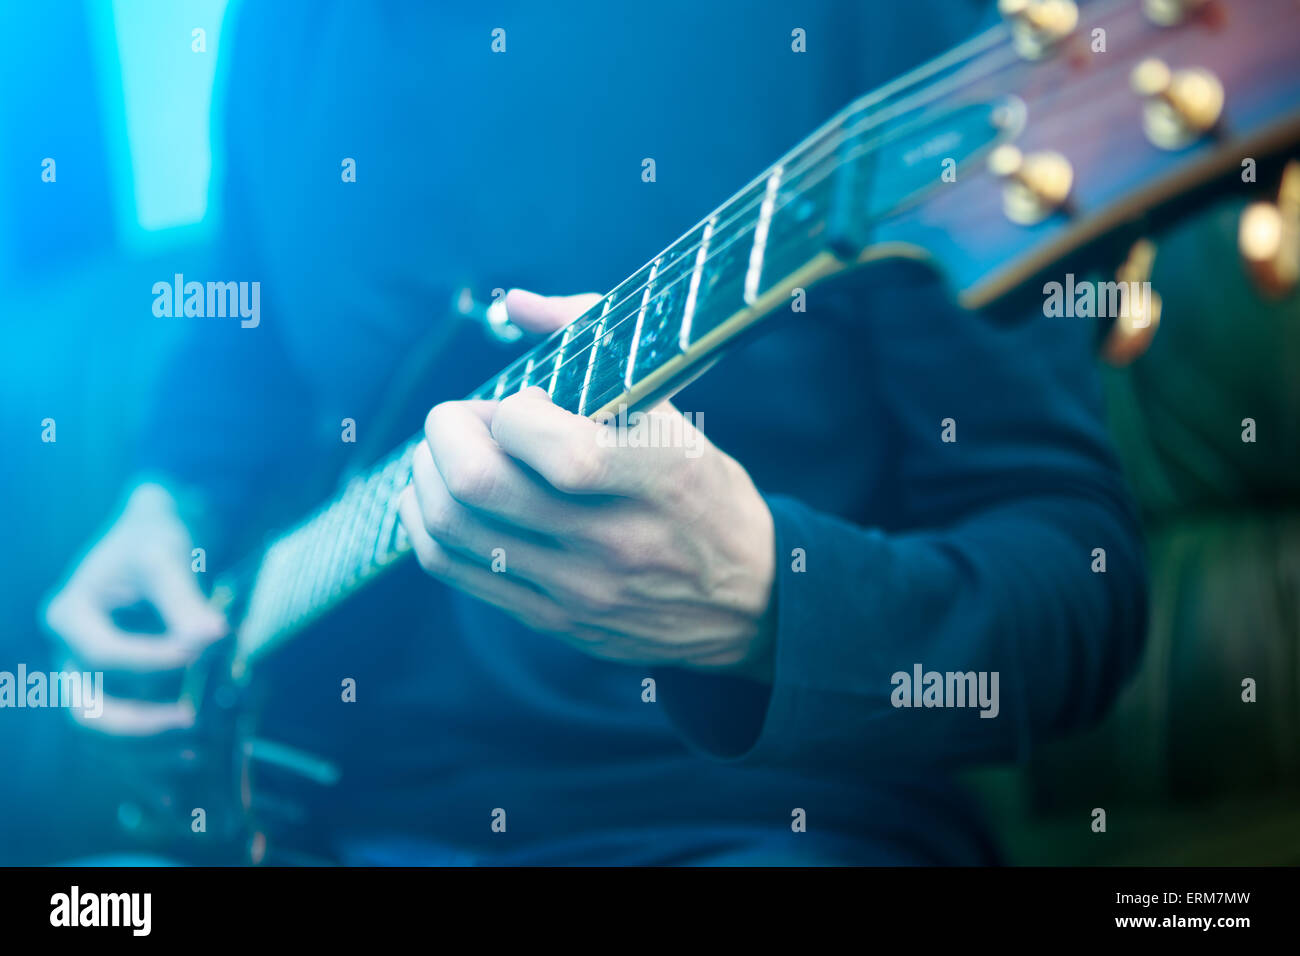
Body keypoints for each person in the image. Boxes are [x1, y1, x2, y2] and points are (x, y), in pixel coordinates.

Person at [43, 0, 1146, 864]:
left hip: (747, 827)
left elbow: (1077, 588)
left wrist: (767, 601)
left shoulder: (898, 44)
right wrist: (163, 504)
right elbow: (243, 360)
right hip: (310, 808)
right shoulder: (284, 23)